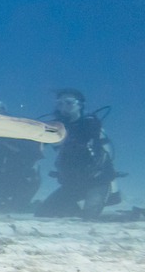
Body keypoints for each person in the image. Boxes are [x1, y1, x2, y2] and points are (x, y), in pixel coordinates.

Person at [35, 88, 121, 220]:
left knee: (90, 219)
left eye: (69, 103)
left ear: (80, 105)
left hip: (97, 182)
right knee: (44, 212)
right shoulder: (56, 128)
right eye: (60, 103)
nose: (64, 107)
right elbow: (37, 143)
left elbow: (105, 157)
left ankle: (136, 215)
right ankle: (76, 210)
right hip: (73, 183)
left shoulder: (90, 125)